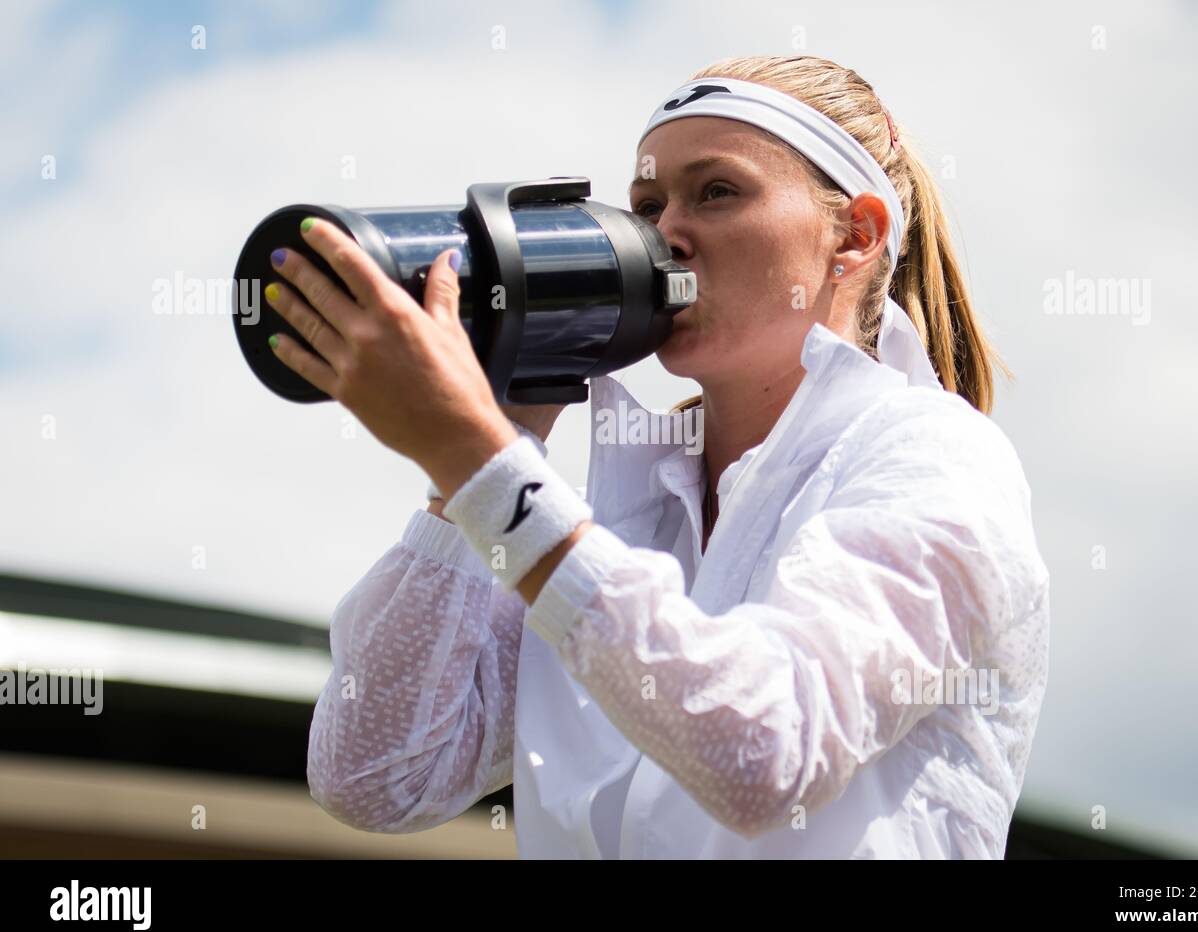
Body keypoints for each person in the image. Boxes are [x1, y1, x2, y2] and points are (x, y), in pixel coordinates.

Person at [269, 55, 1050, 858]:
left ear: (855, 235)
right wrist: (492, 445)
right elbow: (379, 776)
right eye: (647, 205)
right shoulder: (621, 518)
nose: (665, 234)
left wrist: (478, 460)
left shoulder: (934, 456)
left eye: (716, 192)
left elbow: (766, 752)